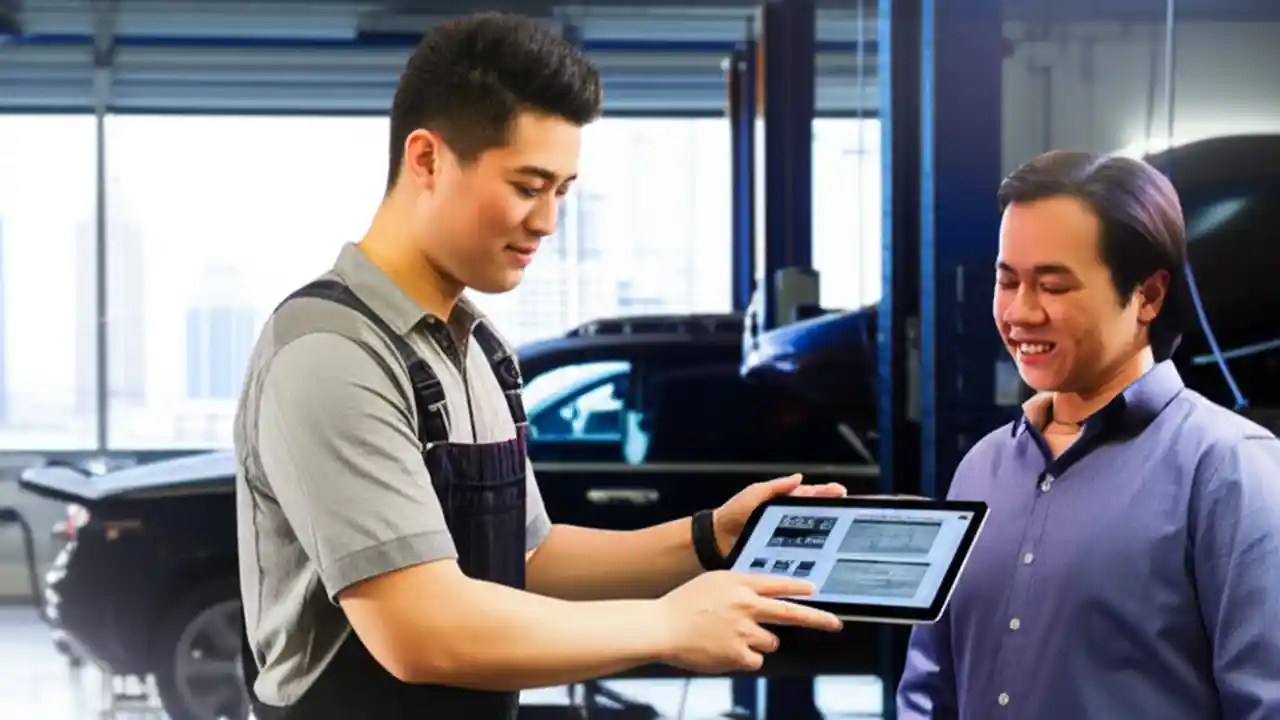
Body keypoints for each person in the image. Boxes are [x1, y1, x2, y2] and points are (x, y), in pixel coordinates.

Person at [233, 12, 846, 720]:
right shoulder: (330, 353)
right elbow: (421, 630)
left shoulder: (477, 347)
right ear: (427, 159)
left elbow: (528, 560)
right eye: (528, 186)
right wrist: (667, 626)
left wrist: (709, 538)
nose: (548, 221)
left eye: (562, 191)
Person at [896, 150, 1280, 719]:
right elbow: (929, 690)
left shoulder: (1227, 467)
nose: (1020, 313)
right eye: (1007, 281)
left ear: (1148, 295)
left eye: (1053, 286)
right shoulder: (982, 468)